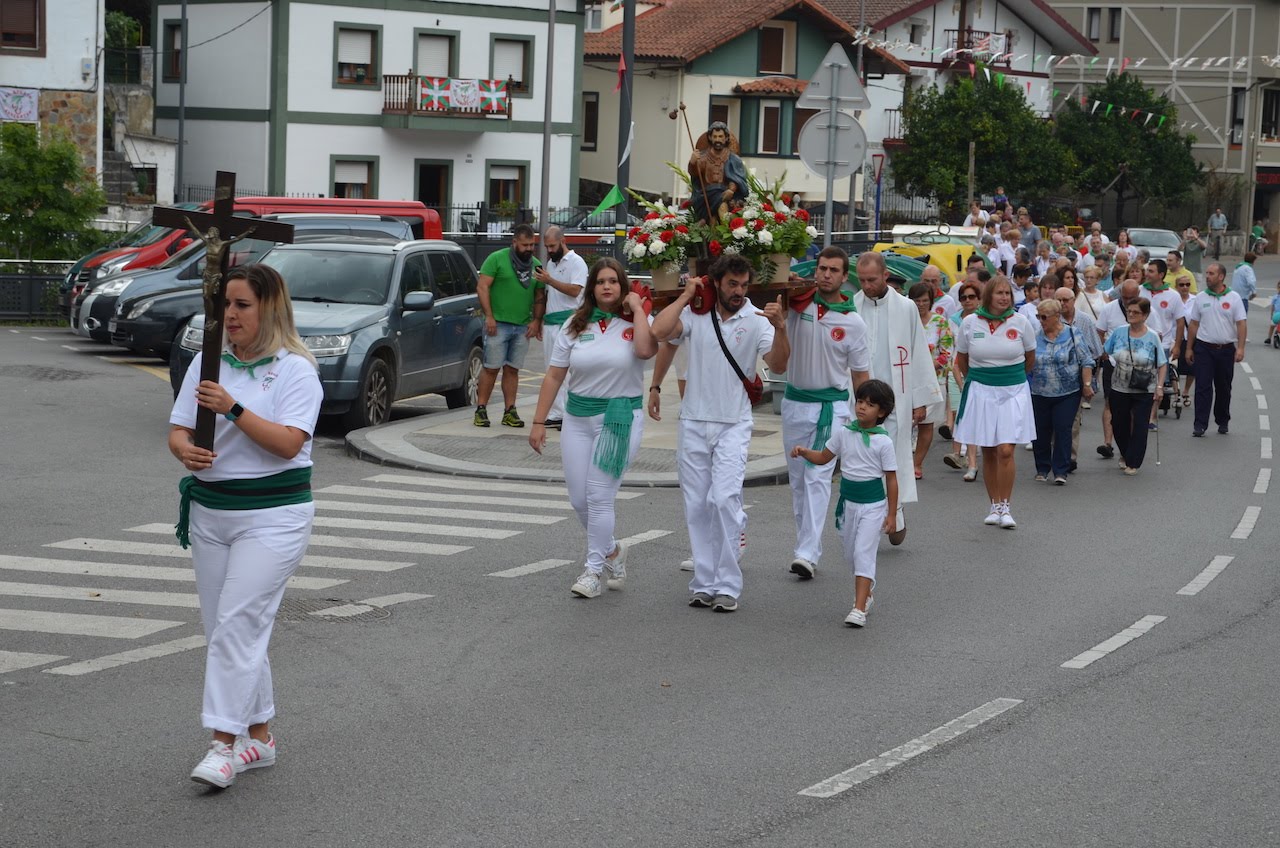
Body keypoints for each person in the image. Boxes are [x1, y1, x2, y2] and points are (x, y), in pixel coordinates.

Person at [168, 264, 323, 789]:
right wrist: (184, 450)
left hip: (273, 516)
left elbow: (287, 444)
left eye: (242, 305)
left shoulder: (296, 369)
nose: (229, 315)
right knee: (226, 629)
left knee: (236, 625)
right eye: (224, 305)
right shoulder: (207, 363)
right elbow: (179, 428)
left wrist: (231, 407)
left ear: (270, 309)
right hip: (211, 512)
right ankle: (260, 737)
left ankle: (223, 745)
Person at [651, 254, 789, 611]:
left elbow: (778, 364)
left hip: (734, 422)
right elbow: (659, 332)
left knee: (725, 499)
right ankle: (704, 581)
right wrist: (685, 296)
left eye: (744, 285)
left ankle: (728, 584)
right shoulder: (695, 315)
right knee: (697, 505)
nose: (739, 292)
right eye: (732, 284)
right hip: (694, 421)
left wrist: (782, 330)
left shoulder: (757, 320)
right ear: (716, 283)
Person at [529, 258, 657, 598]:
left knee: (600, 496)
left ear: (623, 286)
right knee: (579, 499)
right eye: (600, 281)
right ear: (591, 288)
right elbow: (555, 375)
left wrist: (639, 310)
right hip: (577, 418)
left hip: (618, 418)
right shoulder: (575, 324)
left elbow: (646, 350)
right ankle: (612, 550)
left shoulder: (636, 323)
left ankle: (593, 571)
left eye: (613, 281)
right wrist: (539, 421)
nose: (606, 286)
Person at [780, 246, 870, 580]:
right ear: (814, 271)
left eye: (834, 270)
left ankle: (807, 552)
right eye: (822, 268)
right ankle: (806, 545)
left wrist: (866, 420)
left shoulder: (854, 323)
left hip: (831, 410)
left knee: (817, 479)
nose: (827, 274)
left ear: (845, 277)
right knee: (798, 481)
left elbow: (861, 376)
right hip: (793, 403)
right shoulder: (796, 303)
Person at [790, 379, 898, 628]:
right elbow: (824, 457)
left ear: (881, 412)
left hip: (872, 505)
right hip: (848, 504)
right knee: (851, 554)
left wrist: (891, 514)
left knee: (863, 552)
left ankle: (858, 608)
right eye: (860, 402)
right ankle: (867, 592)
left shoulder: (884, 442)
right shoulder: (844, 433)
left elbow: (892, 480)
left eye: (870, 405)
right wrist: (805, 452)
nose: (862, 408)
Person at [853, 252, 941, 544]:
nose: (866, 286)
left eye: (872, 280)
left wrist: (920, 398)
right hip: (864, 397)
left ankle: (896, 510)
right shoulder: (852, 306)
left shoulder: (905, 308)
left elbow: (916, 350)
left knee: (893, 454)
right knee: (867, 456)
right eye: (862, 280)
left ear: (886, 275)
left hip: (897, 395)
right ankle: (873, 514)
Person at [953, 275, 1036, 527]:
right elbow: (963, 359)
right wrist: (980, 380)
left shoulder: (1021, 322)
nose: (1004, 298)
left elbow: (1030, 359)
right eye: (999, 293)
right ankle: (994, 505)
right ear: (988, 295)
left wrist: (1009, 378)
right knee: (988, 449)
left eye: (1007, 294)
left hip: (1012, 389)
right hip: (981, 389)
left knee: (1005, 449)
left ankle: (1006, 507)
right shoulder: (970, 323)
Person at [475, 224, 545, 428]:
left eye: (532, 245)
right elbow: (482, 286)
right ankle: (481, 409)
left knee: (512, 369)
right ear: (514, 242)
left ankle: (510, 411)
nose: (529, 249)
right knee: (491, 368)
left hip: (522, 327)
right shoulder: (496, 259)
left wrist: (536, 320)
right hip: (497, 325)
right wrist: (489, 316)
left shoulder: (536, 265)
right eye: (525, 245)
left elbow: (540, 295)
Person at [1030, 299, 1095, 484]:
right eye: (1038, 316)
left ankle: (1060, 470)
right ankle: (1042, 468)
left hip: (1068, 392)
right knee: (1041, 431)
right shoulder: (1035, 337)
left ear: (1056, 316)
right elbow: (1025, 361)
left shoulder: (1073, 334)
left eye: (1044, 317)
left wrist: (1087, 384)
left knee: (1063, 428)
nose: (1040, 320)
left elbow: (1086, 360)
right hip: (1039, 392)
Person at [1103, 297, 1167, 474]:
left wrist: (1159, 387)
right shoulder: (1119, 332)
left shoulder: (1152, 337)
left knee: (1140, 425)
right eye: (1129, 311)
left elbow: (1162, 363)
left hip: (1144, 388)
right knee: (1118, 424)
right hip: (1119, 387)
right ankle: (1126, 453)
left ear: (1145, 315)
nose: (1131, 315)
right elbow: (1107, 350)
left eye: (1136, 312)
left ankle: (1133, 462)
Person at [533, 226, 588, 428]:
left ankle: (570, 413)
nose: (549, 250)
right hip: (551, 323)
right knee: (552, 368)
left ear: (563, 241)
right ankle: (557, 413)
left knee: (572, 369)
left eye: (552, 246)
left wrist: (550, 280)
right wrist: (539, 320)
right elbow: (547, 295)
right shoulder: (550, 263)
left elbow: (575, 291)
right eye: (547, 246)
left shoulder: (577, 262)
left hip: (569, 322)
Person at [1185, 262, 1247, 436]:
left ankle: (1222, 419)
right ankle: (1200, 424)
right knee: (1202, 387)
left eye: (1211, 273)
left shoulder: (1233, 297)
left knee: (1223, 387)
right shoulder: (1201, 297)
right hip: (1204, 348)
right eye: (1206, 273)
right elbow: (1194, 324)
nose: (1207, 276)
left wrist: (1240, 348)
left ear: (1221, 277)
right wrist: (1189, 348)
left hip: (1226, 349)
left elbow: (1241, 323)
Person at [1094, 278, 1142, 459]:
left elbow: (1155, 334)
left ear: (1138, 295)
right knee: (1109, 402)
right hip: (1113, 363)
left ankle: (1126, 446)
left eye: (1131, 297)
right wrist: (1103, 351)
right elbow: (1099, 331)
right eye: (1124, 297)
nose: (1127, 301)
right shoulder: (1110, 308)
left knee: (1129, 408)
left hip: (1136, 365)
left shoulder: (1146, 310)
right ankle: (1108, 443)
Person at [908, 282, 950, 479]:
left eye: (925, 300)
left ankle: (917, 464)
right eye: (917, 300)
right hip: (907, 379)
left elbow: (947, 351)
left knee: (926, 424)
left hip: (934, 379)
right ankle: (903, 460)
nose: (921, 304)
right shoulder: (904, 321)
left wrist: (927, 368)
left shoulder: (940, 322)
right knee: (907, 421)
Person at [943, 280, 983, 481]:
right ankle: (959, 455)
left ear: (979, 299)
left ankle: (972, 456)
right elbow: (954, 353)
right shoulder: (954, 320)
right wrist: (957, 378)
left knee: (972, 418)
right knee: (960, 415)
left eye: (971, 297)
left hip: (979, 376)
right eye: (964, 297)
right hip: (957, 371)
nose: (967, 300)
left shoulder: (984, 320)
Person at [687, 121, 748, 225]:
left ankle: (720, 234)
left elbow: (737, 178)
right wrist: (692, 162)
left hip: (726, 194)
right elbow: (695, 174)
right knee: (718, 210)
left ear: (726, 138)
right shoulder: (703, 157)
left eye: (720, 136)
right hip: (706, 196)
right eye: (715, 136)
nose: (718, 140)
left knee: (721, 208)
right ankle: (718, 236)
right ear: (710, 138)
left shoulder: (733, 159)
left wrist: (731, 190)